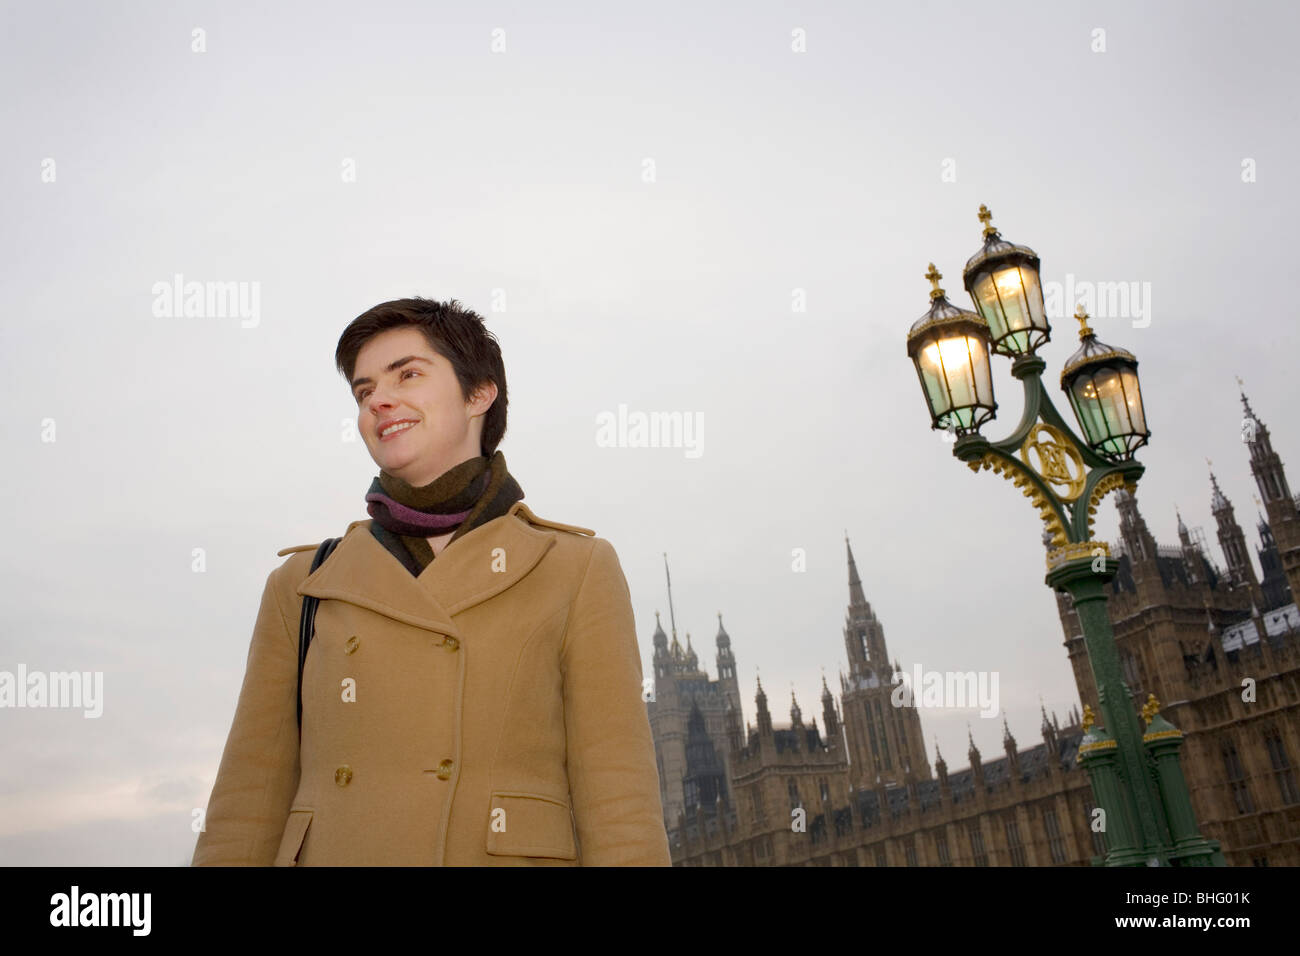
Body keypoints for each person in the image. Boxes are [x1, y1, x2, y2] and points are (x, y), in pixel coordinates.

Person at [192, 296, 671, 866]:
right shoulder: (302, 584)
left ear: (479, 394)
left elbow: (620, 808)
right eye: (364, 391)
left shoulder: (575, 568)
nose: (380, 401)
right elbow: (246, 806)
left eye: (408, 375)